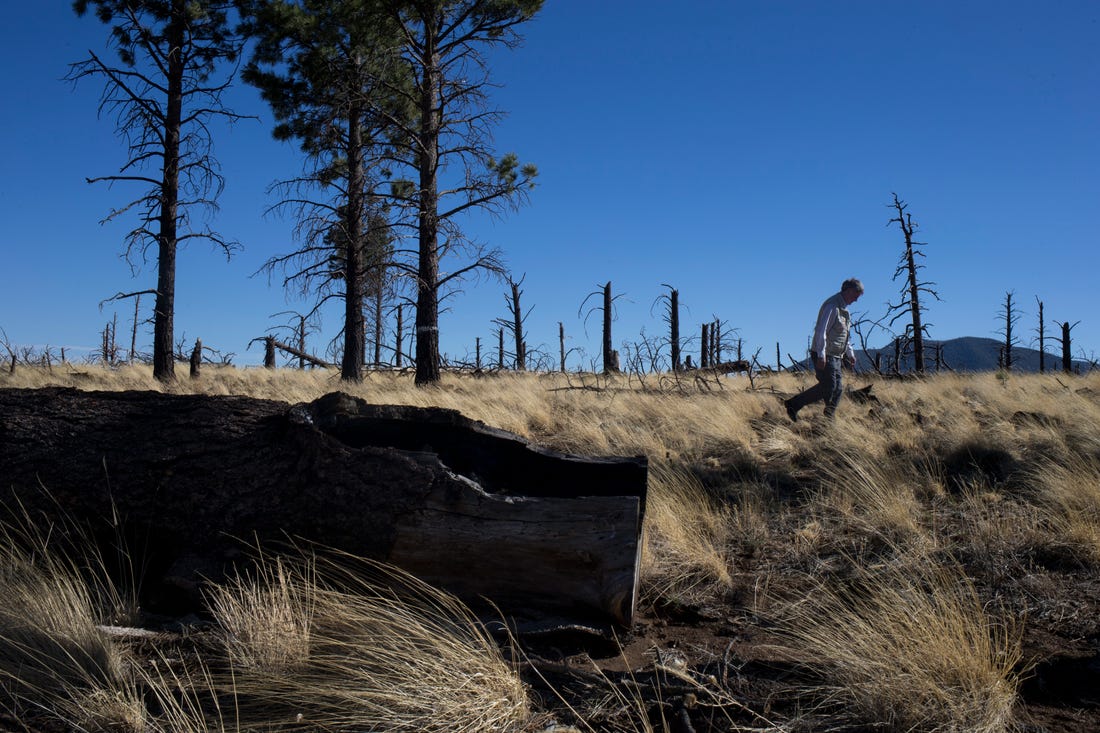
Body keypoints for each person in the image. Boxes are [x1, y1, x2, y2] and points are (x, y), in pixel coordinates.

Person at [785, 278, 864, 421]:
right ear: (849, 291)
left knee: (837, 388)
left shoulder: (845, 311)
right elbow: (821, 331)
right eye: (855, 296)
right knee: (829, 386)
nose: (856, 300)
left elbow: (844, 335)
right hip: (825, 354)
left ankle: (828, 417)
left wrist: (850, 353)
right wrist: (821, 355)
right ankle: (794, 404)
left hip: (836, 355)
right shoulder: (832, 306)